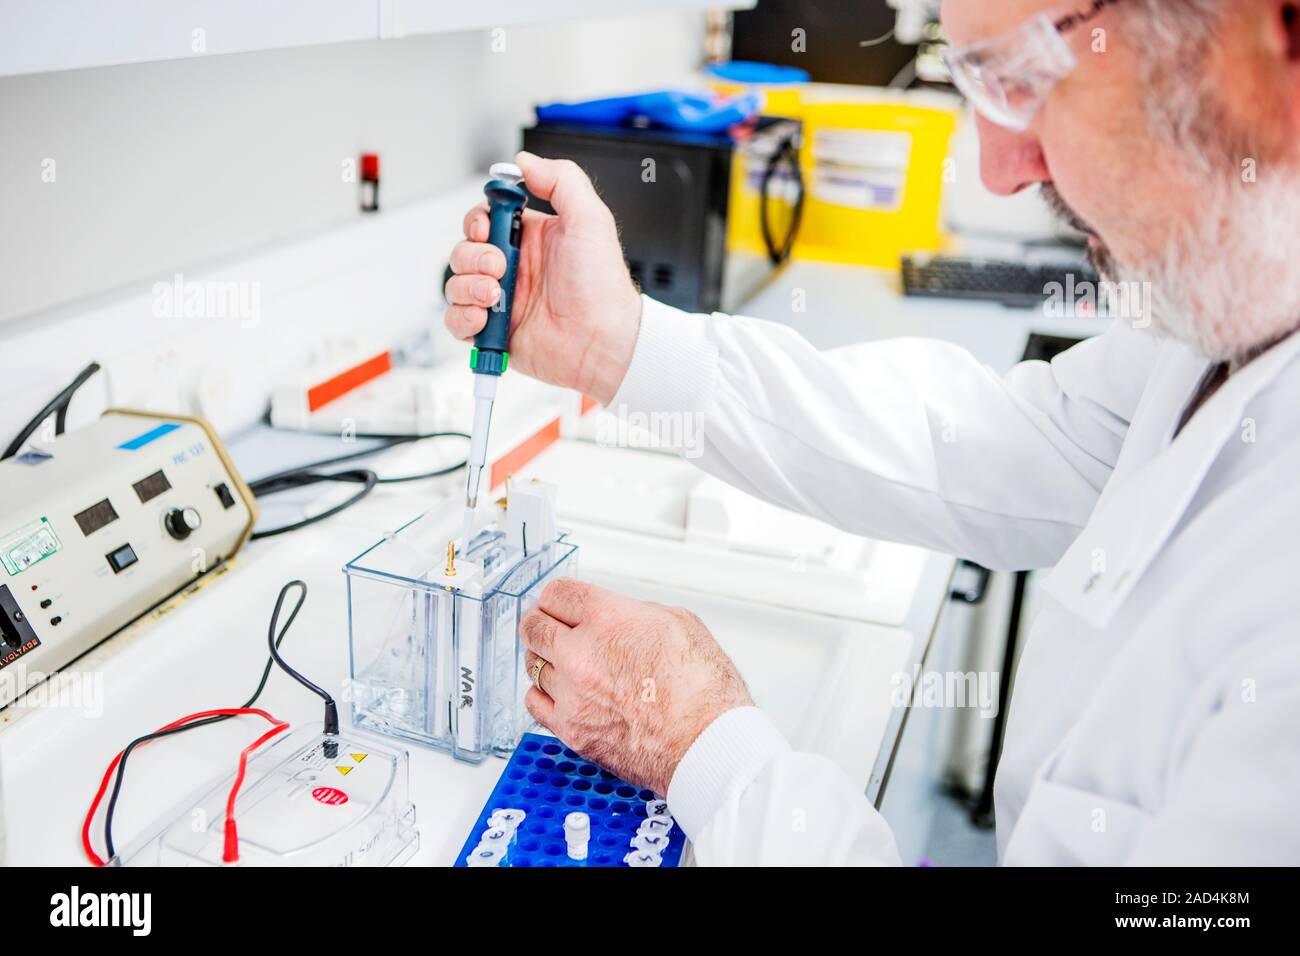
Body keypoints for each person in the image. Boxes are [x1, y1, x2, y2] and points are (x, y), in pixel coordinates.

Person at [443, 0, 1300, 865]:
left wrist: (708, 750)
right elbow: (1013, 439)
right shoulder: (1242, 302)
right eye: (980, 85)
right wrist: (615, 343)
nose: (1001, 169)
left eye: (1026, 76)